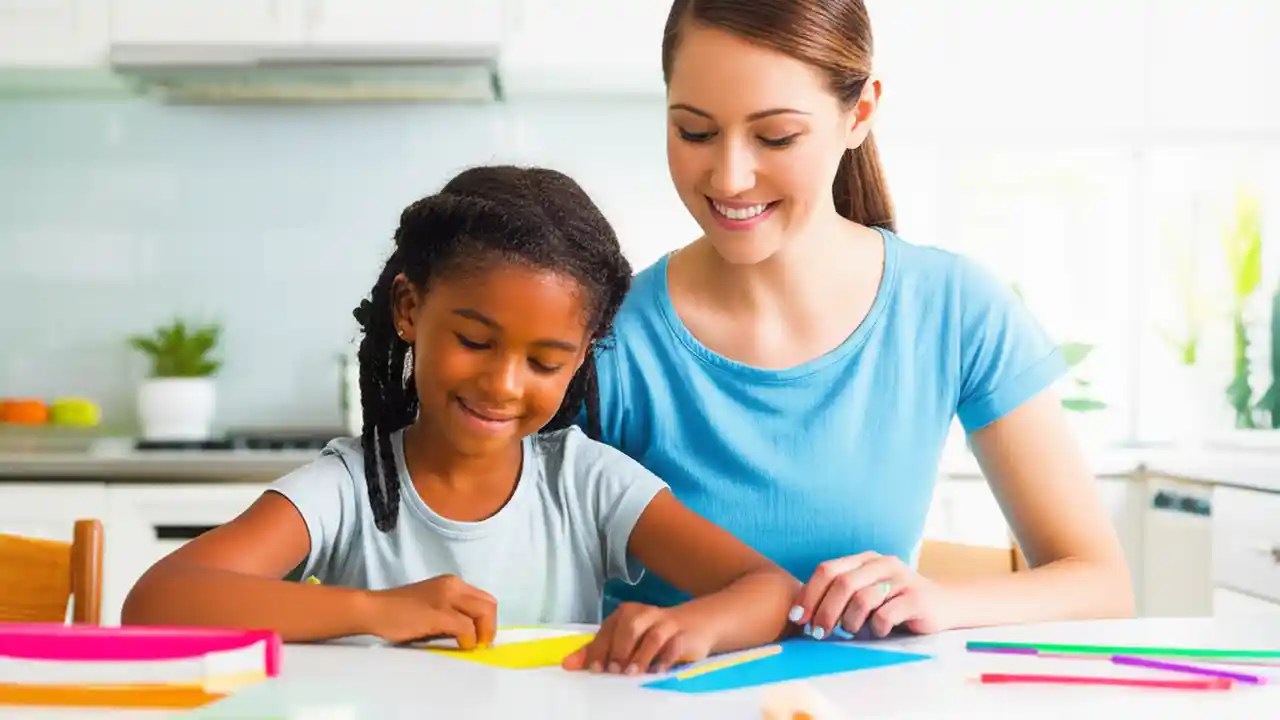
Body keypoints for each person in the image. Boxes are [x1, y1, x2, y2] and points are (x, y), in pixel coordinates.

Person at [583, 0, 1134, 640]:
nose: (730, 176)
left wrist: (943, 603)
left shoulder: (954, 309)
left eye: (776, 136)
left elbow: (1101, 582)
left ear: (860, 113)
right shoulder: (607, 335)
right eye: (696, 132)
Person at [121, 165, 798, 675]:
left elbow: (771, 590)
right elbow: (159, 601)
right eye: (475, 342)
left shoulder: (587, 483)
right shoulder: (351, 487)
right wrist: (376, 612)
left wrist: (693, 630)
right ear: (410, 309)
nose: (503, 384)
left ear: (581, 357)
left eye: (544, 361)